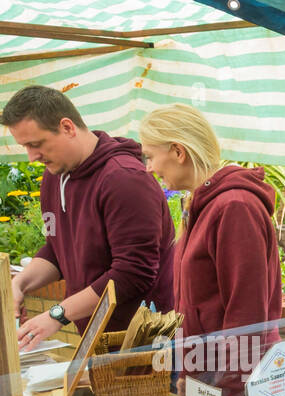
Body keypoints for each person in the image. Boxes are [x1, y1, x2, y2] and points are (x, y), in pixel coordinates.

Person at [5, 85, 174, 350]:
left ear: (67, 127)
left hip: (143, 342)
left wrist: (58, 314)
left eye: (36, 144)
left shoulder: (124, 179)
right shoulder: (54, 176)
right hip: (98, 338)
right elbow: (58, 248)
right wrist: (19, 284)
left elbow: (133, 272)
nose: (32, 156)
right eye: (25, 146)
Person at [140, 104, 282, 396]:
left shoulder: (234, 206)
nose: (148, 168)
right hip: (209, 377)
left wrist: (227, 395)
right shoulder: (199, 204)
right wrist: (190, 375)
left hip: (236, 386)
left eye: (150, 156)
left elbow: (247, 312)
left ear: (178, 151)